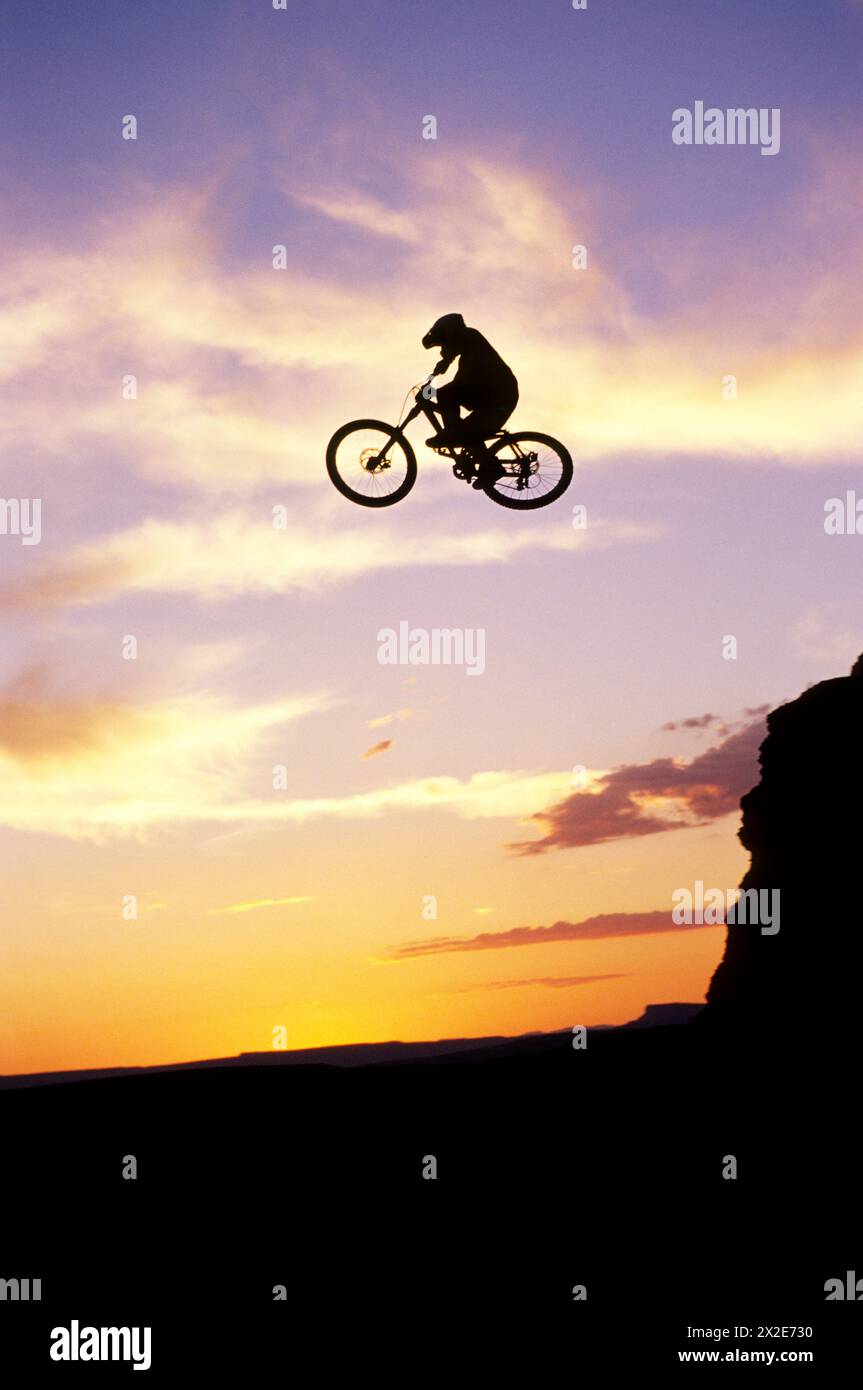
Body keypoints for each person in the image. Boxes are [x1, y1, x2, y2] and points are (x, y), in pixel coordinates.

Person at [421, 314, 518, 488]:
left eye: (443, 342)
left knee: (446, 396)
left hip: (498, 399)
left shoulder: (471, 340)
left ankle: (454, 436)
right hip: (494, 398)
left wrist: (432, 385)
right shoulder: (467, 345)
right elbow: (449, 357)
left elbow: (460, 380)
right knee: (466, 432)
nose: (443, 347)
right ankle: (486, 465)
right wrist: (432, 379)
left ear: (451, 334)